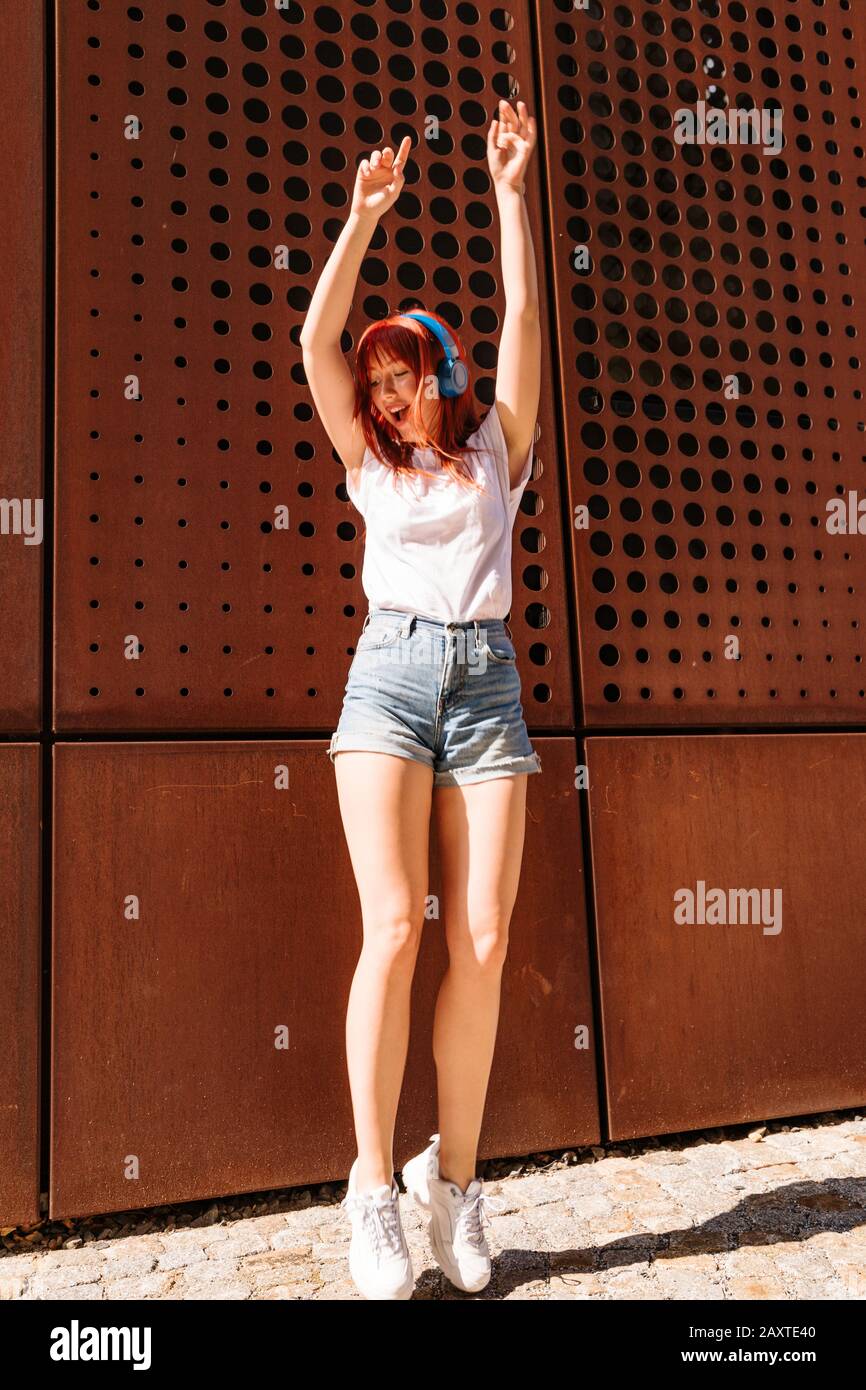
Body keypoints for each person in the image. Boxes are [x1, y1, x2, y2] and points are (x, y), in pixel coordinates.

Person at [300, 99, 541, 1300]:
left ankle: (456, 1182)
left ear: (439, 370)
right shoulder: (365, 465)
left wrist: (507, 193)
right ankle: (370, 1186)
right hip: (389, 677)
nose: (388, 396)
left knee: (484, 939)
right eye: (376, 382)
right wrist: (356, 222)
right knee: (393, 930)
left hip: (486, 680)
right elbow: (311, 343)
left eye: (403, 375)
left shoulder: (499, 439)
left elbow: (520, 325)